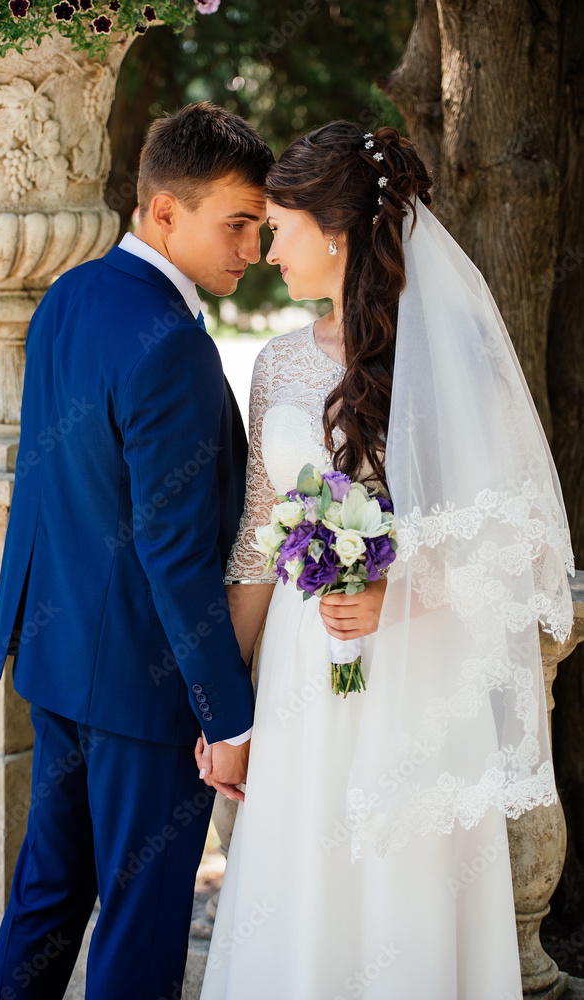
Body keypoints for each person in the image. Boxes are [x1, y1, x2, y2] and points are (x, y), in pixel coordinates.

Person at [198, 123, 575, 999]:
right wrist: (224, 708)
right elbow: (256, 542)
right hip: (303, 673)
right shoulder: (278, 365)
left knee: (405, 882)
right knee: (308, 878)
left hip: (420, 667)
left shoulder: (454, 357)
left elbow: (520, 539)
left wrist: (399, 594)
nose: (268, 253)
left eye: (280, 229)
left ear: (334, 231)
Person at [0, 102, 272, 1000]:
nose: (253, 249)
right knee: (140, 932)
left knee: (46, 897)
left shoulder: (69, 296)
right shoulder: (175, 345)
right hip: (144, 695)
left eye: (261, 227)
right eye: (237, 224)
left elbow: (61, 484)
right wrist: (228, 716)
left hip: (56, 661)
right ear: (165, 212)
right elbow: (174, 551)